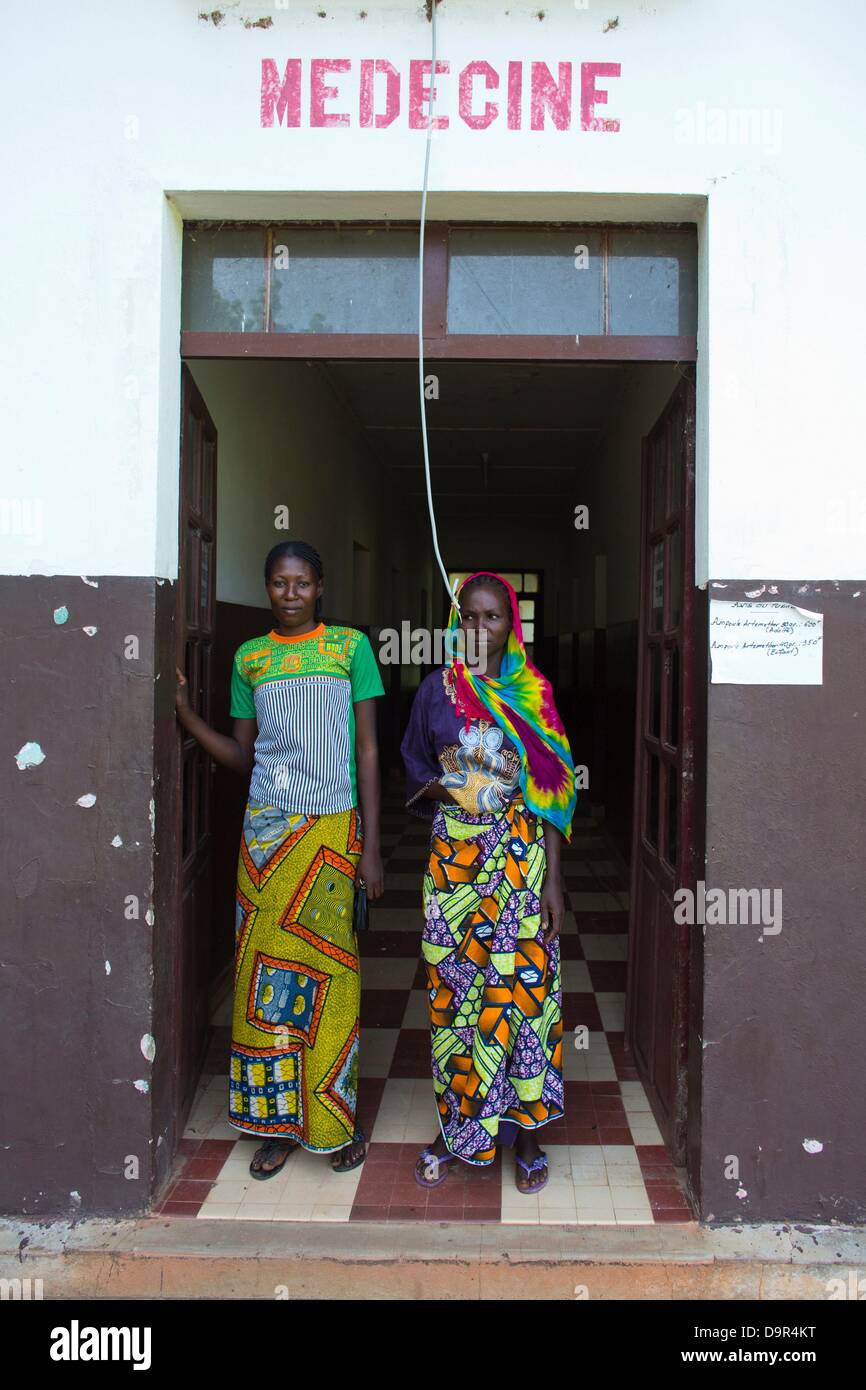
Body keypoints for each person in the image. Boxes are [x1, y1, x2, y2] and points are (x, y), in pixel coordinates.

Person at [175, 539, 384, 1180]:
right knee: (265, 983)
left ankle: (333, 1121)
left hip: (332, 835)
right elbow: (242, 756)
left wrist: (372, 846)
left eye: (301, 583)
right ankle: (278, 1124)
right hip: (265, 841)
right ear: (267, 588)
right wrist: (185, 715)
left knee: (333, 980)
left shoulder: (351, 649)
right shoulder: (251, 657)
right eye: (278, 583)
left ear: (320, 587)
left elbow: (369, 752)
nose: (289, 593)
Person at [400, 571, 577, 1195]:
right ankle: (461, 1131)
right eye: (469, 619)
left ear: (512, 626)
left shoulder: (533, 692)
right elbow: (415, 771)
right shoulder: (435, 693)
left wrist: (554, 883)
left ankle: (526, 1134)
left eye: (492, 619)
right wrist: (460, 783)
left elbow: (556, 792)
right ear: (457, 624)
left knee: (525, 1000)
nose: (479, 631)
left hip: (523, 868)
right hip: (454, 867)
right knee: (456, 997)